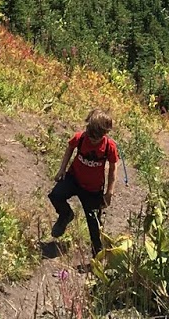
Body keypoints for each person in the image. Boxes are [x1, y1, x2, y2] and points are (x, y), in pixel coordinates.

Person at [49, 108, 118, 256]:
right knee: (55, 195)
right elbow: (70, 148)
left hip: (93, 190)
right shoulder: (80, 138)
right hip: (74, 178)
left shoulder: (109, 147)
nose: (92, 139)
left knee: (94, 224)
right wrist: (62, 170)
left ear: (105, 133)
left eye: (96, 137)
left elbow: (113, 168)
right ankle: (65, 215)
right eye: (90, 135)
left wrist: (109, 192)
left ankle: (97, 256)